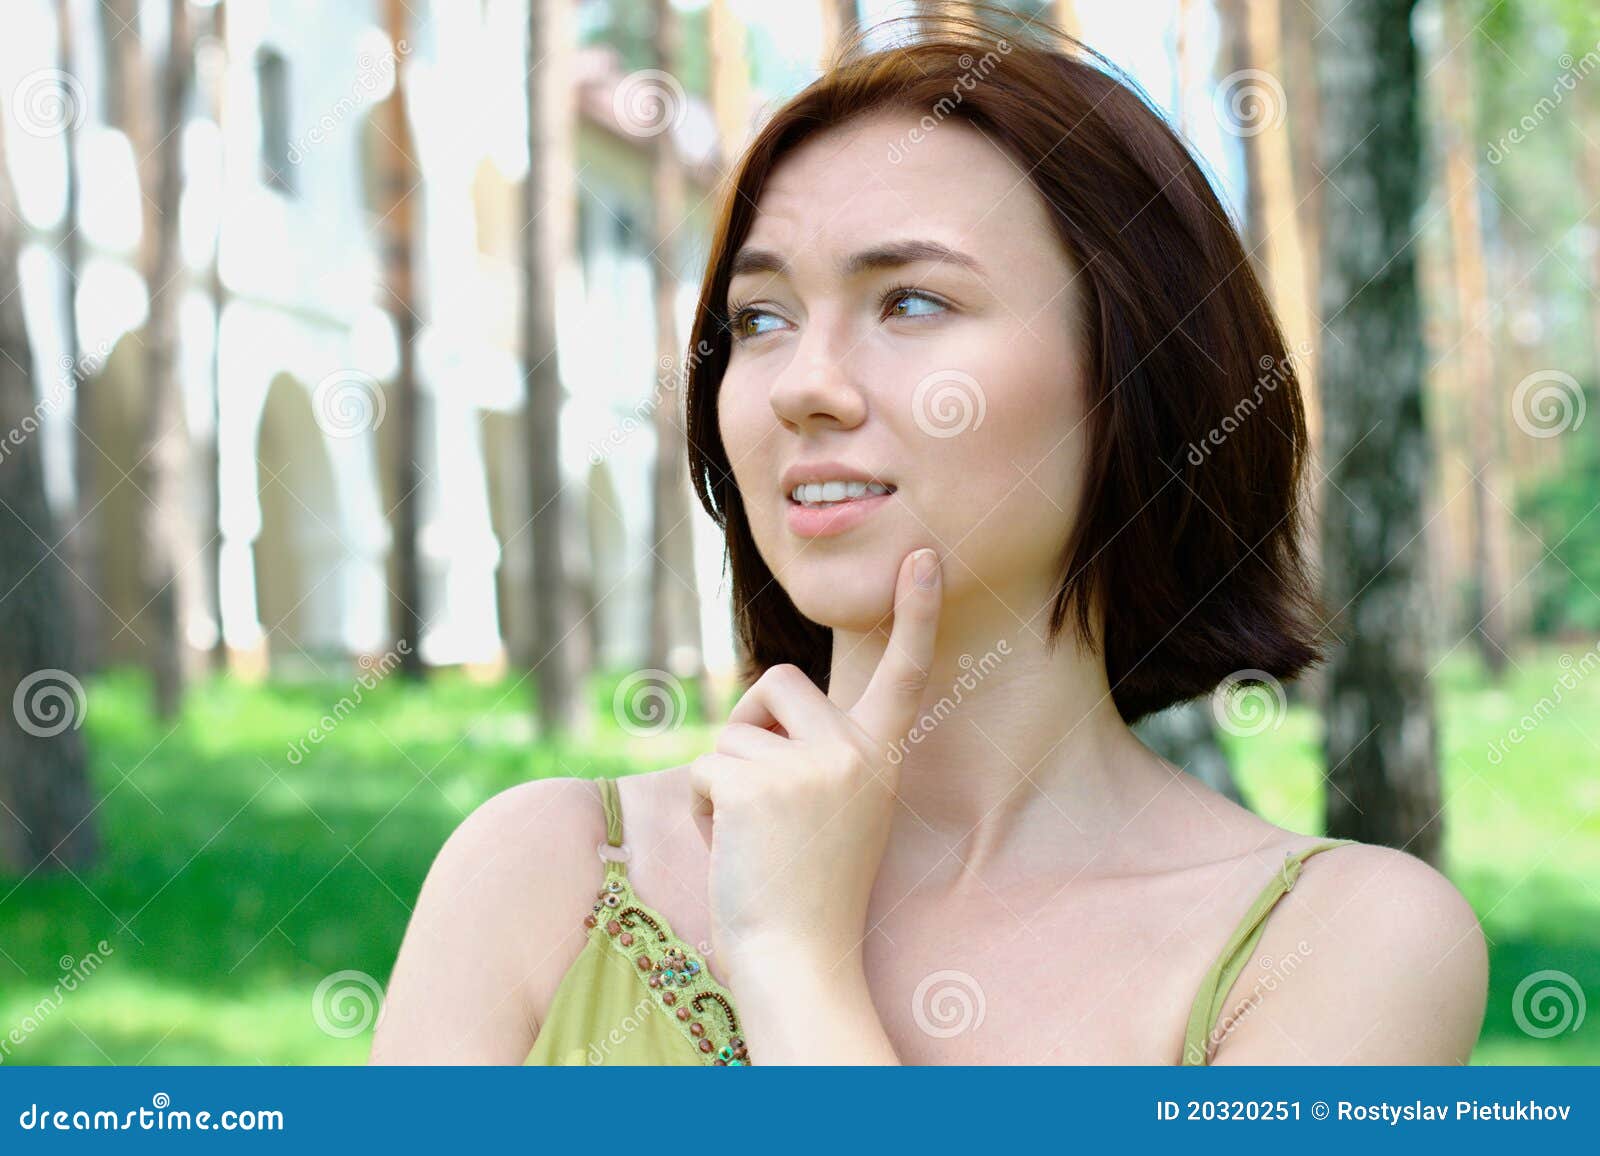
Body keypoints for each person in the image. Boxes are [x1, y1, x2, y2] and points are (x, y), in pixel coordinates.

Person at [370, 4, 1486, 1066]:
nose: (803, 384)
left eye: (910, 302)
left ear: (1136, 374)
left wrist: (792, 960)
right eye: (759, 319)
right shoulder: (540, 873)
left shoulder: (1345, 945)